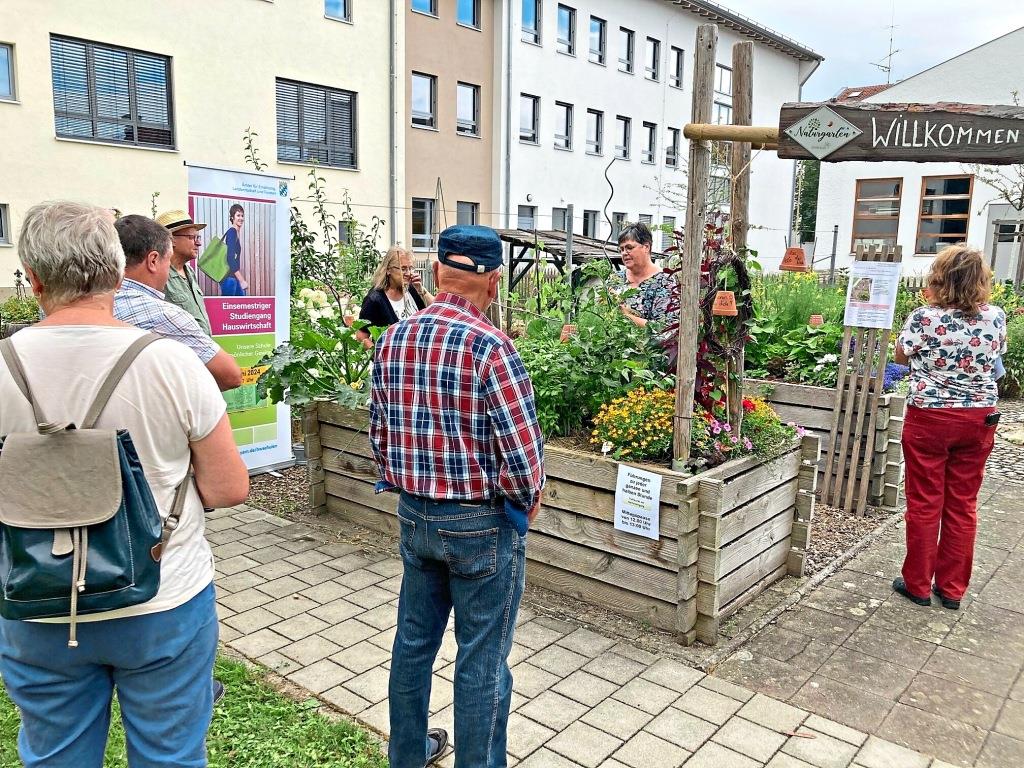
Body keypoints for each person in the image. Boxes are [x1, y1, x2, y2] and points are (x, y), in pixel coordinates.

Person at [0, 201, 249, 766]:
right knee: (171, 757)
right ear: (118, 271)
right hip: (162, 596)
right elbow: (231, 487)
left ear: (33, 279)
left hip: (36, 602)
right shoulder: (173, 363)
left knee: (55, 756)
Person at [370, 225, 545, 768]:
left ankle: (406, 756)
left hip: (414, 517)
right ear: (494, 282)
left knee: (413, 647)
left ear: (436, 272)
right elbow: (520, 456)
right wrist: (527, 498)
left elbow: (379, 431)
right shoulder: (493, 348)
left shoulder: (395, 338)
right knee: (482, 660)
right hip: (479, 525)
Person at [893, 244, 1007, 611]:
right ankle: (953, 589)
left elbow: (901, 355)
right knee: (963, 503)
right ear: (981, 281)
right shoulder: (996, 317)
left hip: (931, 418)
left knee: (925, 502)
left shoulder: (925, 318)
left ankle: (918, 585)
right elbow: (996, 355)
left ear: (939, 280)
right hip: (978, 419)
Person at [113, 215, 242, 392]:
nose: (198, 243)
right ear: (154, 259)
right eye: (192, 237)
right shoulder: (163, 313)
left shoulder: (98, 302)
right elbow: (231, 376)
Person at [356, 246, 434, 349]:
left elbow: (437, 309)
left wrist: (421, 289)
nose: (408, 273)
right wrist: (378, 355)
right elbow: (361, 335)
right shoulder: (375, 299)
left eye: (410, 268)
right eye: (403, 269)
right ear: (388, 270)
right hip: (393, 361)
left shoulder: (412, 289)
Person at [608, 221, 677, 330]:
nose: (624, 253)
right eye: (621, 249)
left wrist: (627, 317)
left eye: (629, 247)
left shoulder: (664, 281)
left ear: (646, 247)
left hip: (650, 346)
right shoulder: (616, 279)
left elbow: (665, 328)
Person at [156, 209, 213, 336]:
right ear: (172, 240)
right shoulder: (158, 275)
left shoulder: (190, 272)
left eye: (198, 237)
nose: (199, 243)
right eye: (192, 237)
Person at [220, 204, 248, 297]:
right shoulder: (232, 232)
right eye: (238, 215)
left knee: (240, 307)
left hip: (233, 278)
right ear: (232, 217)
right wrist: (242, 280)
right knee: (227, 309)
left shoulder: (234, 233)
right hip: (229, 279)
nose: (241, 218)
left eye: (242, 215)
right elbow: (230, 258)